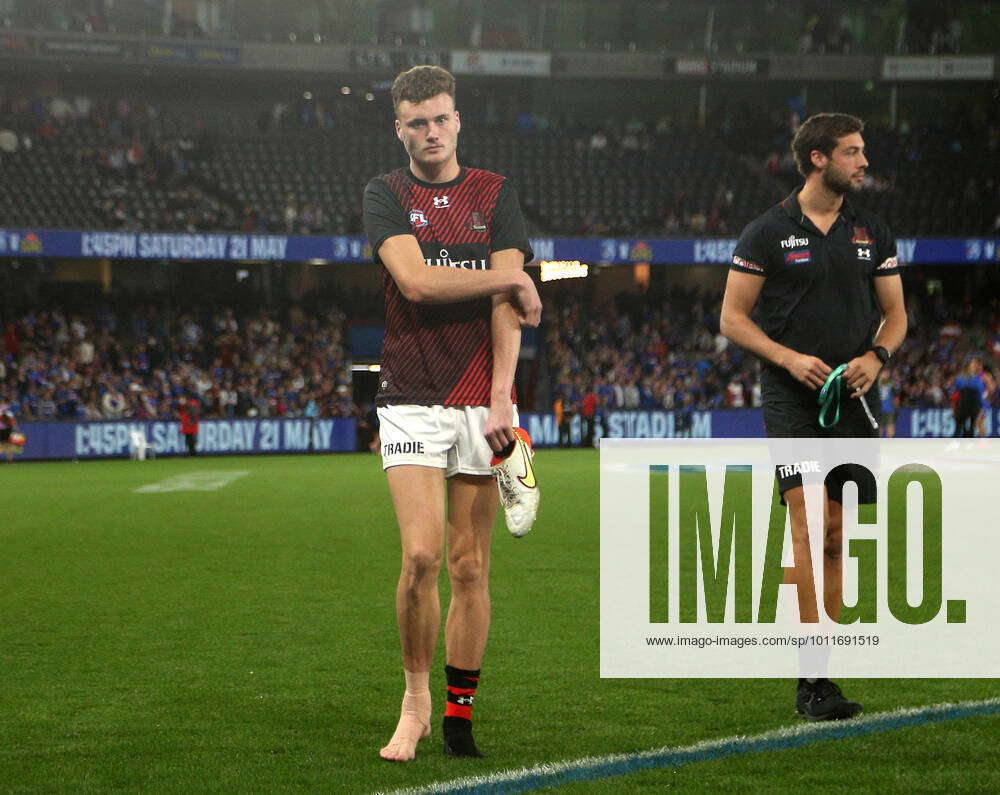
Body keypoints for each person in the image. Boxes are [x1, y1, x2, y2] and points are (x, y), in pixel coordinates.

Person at [362, 65, 542, 762]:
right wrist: (516, 274)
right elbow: (416, 281)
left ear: (458, 118)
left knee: (469, 566)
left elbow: (505, 311)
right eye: (416, 122)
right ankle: (414, 704)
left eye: (440, 118)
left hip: (481, 395)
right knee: (421, 556)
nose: (430, 132)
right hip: (409, 392)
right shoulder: (387, 192)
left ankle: (460, 715)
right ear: (399, 127)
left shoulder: (494, 193)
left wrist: (502, 394)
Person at [720, 113, 906, 721]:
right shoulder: (766, 232)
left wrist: (876, 358)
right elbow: (732, 319)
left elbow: (896, 315)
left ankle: (824, 669)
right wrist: (787, 358)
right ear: (819, 159)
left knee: (833, 537)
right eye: (853, 152)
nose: (864, 162)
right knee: (804, 527)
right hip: (792, 400)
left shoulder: (871, 229)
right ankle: (812, 679)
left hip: (852, 399)